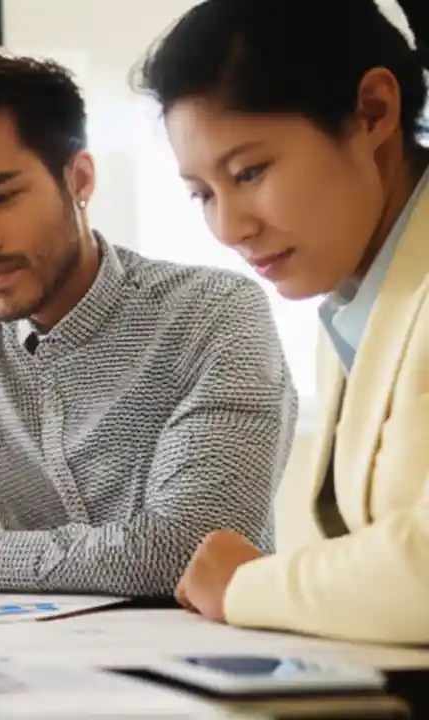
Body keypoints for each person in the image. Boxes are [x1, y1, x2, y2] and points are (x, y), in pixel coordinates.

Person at [0, 51, 298, 598]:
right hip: (36, 667)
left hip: (201, 665)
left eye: (0, 198)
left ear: (79, 179)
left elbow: (187, 548)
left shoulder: (214, 314)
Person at [140, 0, 429, 644]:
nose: (229, 228)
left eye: (250, 172)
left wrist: (246, 586)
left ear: (373, 111)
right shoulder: (356, 290)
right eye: (203, 194)